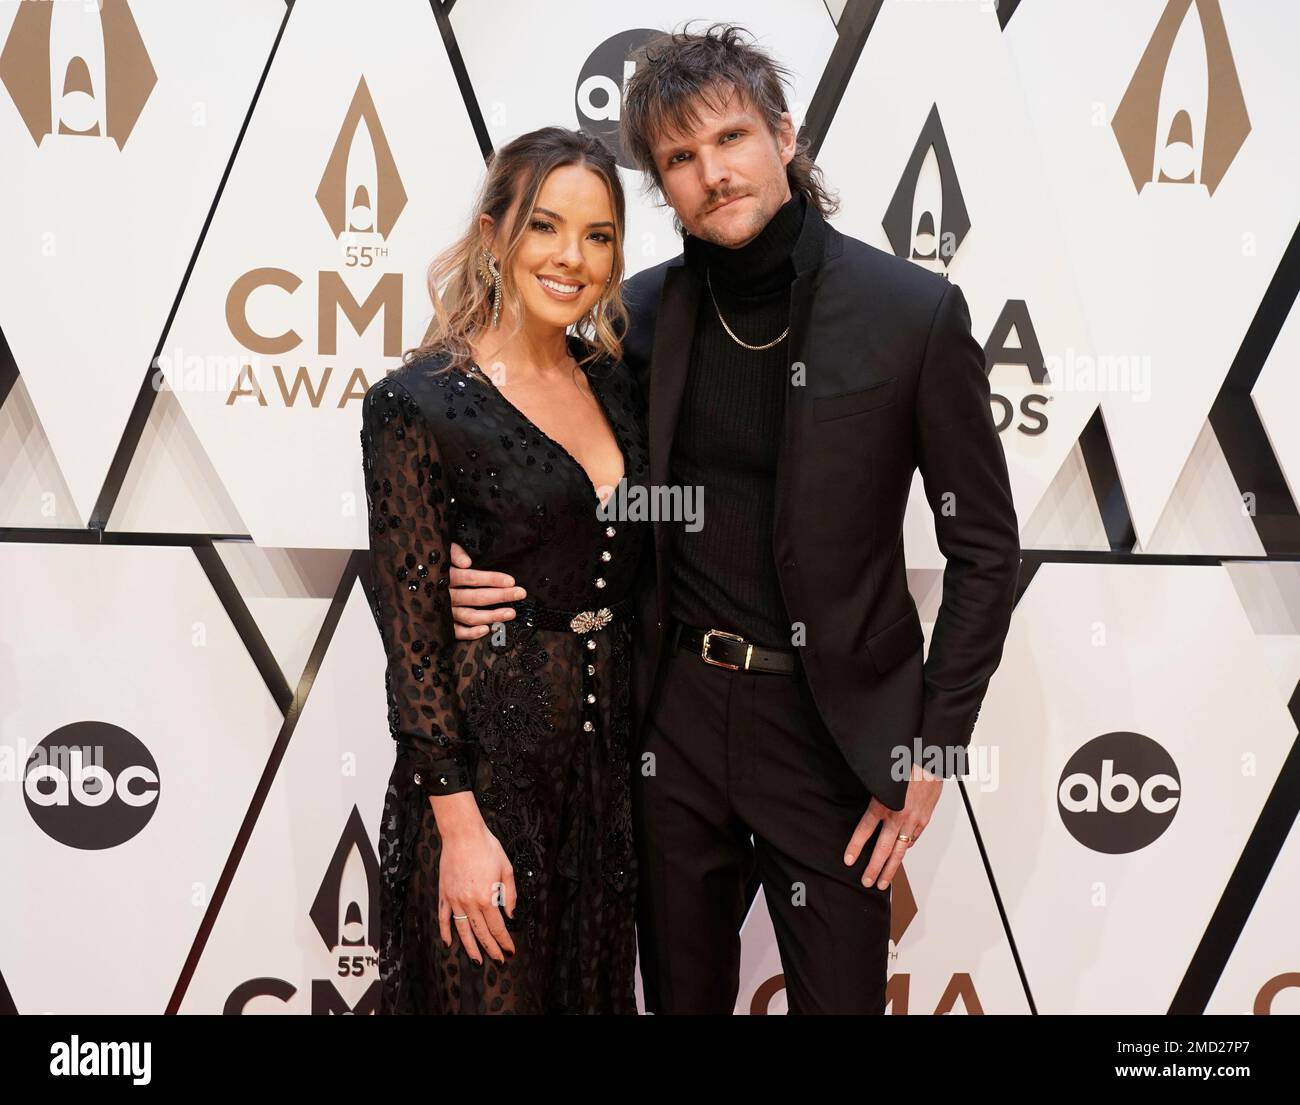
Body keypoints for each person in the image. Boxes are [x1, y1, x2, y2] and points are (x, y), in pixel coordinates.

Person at [446, 24, 1020, 1014]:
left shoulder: (910, 314)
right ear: (660, 186)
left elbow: (982, 548)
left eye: (730, 139)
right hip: (671, 728)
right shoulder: (636, 319)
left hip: (832, 736)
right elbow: (567, 495)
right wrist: (472, 568)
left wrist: (931, 748)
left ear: (784, 137)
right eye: (678, 158)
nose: (710, 173)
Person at [359, 126, 649, 1014]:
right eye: (545, 227)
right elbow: (411, 643)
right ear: (494, 234)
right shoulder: (416, 404)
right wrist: (459, 823)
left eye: (598, 236)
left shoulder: (618, 382)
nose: (572, 258)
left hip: (603, 779)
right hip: (490, 779)